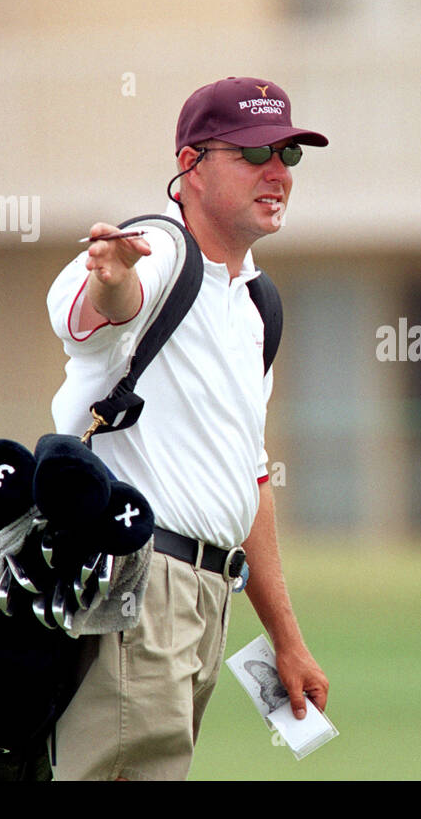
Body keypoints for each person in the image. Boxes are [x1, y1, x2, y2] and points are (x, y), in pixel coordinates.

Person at [45, 77, 330, 780]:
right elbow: (104, 303)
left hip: (207, 595)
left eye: (287, 156)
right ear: (191, 167)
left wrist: (285, 640)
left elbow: (250, 478)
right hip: (140, 582)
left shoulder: (256, 301)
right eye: (253, 153)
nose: (276, 172)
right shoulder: (159, 252)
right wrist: (113, 277)